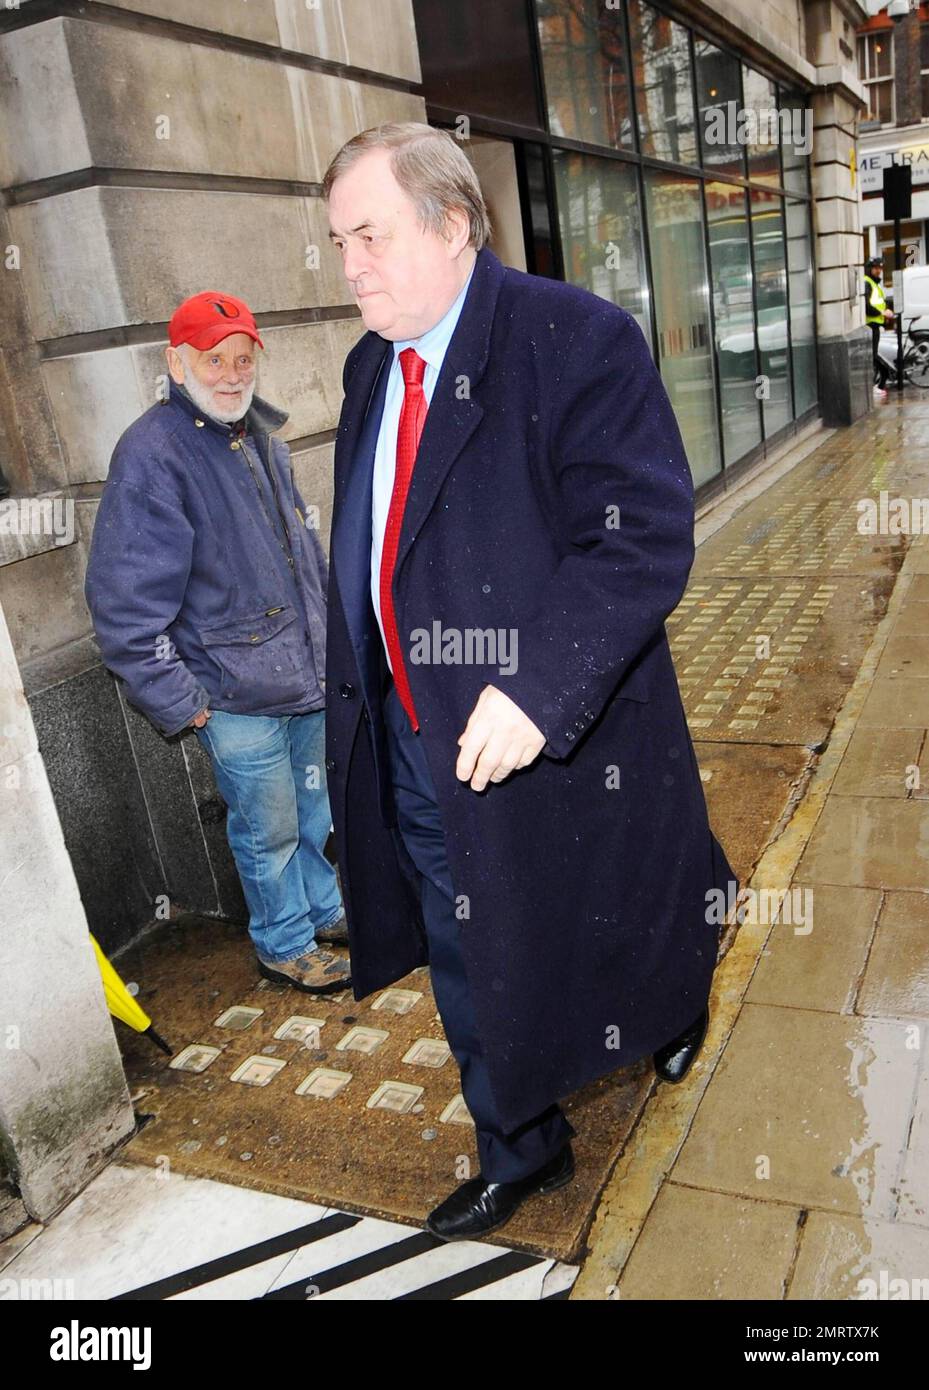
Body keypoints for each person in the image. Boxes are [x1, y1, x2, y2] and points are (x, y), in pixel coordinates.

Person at [322, 122, 737, 1241]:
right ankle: (521, 1146)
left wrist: (535, 687)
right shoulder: (370, 366)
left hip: (561, 728)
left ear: (452, 225)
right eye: (337, 242)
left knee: (622, 907)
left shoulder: (574, 338)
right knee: (471, 949)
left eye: (370, 235)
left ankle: (673, 999)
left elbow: (640, 534)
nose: (349, 265)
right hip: (422, 740)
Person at [84, 291, 351, 996]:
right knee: (267, 830)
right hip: (231, 695)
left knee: (313, 812)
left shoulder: (261, 435)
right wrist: (185, 703)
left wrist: (333, 650)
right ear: (177, 362)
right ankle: (285, 943)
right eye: (213, 359)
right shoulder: (151, 453)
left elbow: (304, 556)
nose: (231, 373)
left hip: (303, 677)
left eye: (242, 359)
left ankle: (323, 911)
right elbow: (122, 607)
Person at [865, 256, 893, 395]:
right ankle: (876, 384)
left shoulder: (875, 284)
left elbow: (879, 302)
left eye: (880, 268)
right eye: (876, 268)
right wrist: (882, 312)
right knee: (872, 356)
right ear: (870, 268)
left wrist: (885, 313)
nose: (879, 271)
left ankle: (880, 384)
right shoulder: (867, 282)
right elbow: (867, 306)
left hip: (875, 324)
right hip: (870, 325)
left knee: (873, 355)